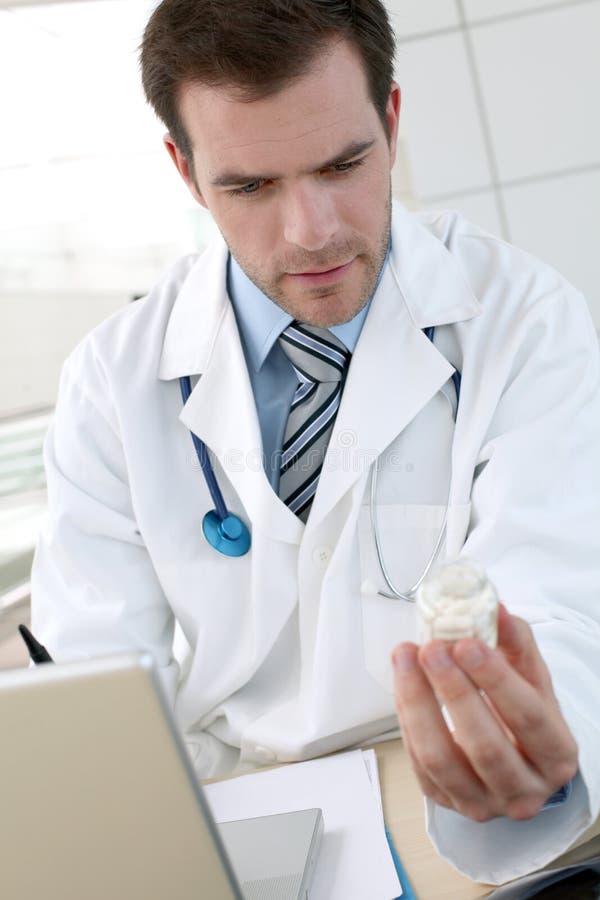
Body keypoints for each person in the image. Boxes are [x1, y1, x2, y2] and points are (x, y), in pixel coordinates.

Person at [31, 0, 600, 885]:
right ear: (185, 170)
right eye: (250, 186)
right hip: (250, 802)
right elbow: (102, 698)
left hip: (455, 788)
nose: (313, 231)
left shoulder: (522, 321)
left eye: (343, 164)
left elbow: (561, 607)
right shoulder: (111, 381)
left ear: (393, 120)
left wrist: (528, 735)